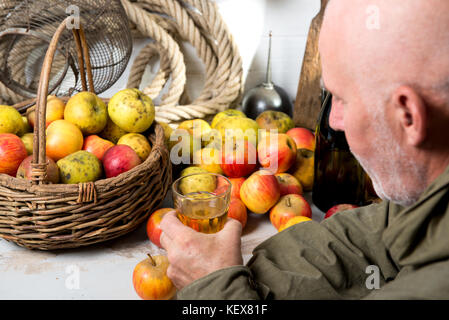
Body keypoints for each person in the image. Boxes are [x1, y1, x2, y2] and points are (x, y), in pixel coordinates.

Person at [159, 0, 449, 299]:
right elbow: (369, 240)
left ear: (409, 117)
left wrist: (211, 285)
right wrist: (235, 281)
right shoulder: (427, 205)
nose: (333, 122)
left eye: (342, 99)